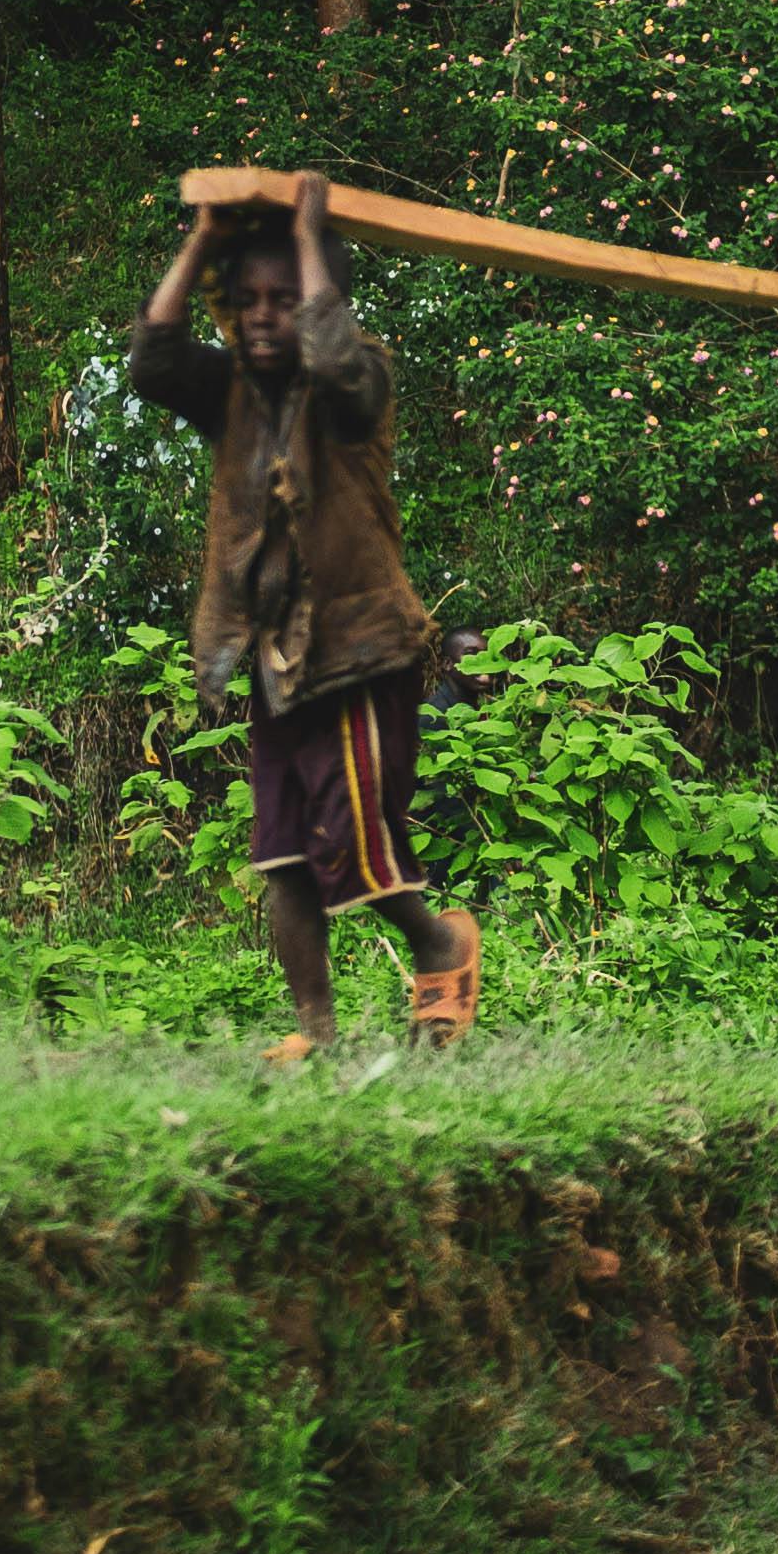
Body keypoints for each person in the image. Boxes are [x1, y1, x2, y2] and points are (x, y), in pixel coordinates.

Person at [126, 171, 482, 1054]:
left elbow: (334, 357)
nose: (261, 316)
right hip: (276, 661)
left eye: (285, 300)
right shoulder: (230, 395)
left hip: (362, 655)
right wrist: (205, 238)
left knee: (355, 842)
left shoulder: (358, 384)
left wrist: (316, 235)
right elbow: (153, 357)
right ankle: (315, 1036)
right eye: (246, 301)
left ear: (322, 303)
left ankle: (439, 942)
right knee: (283, 858)